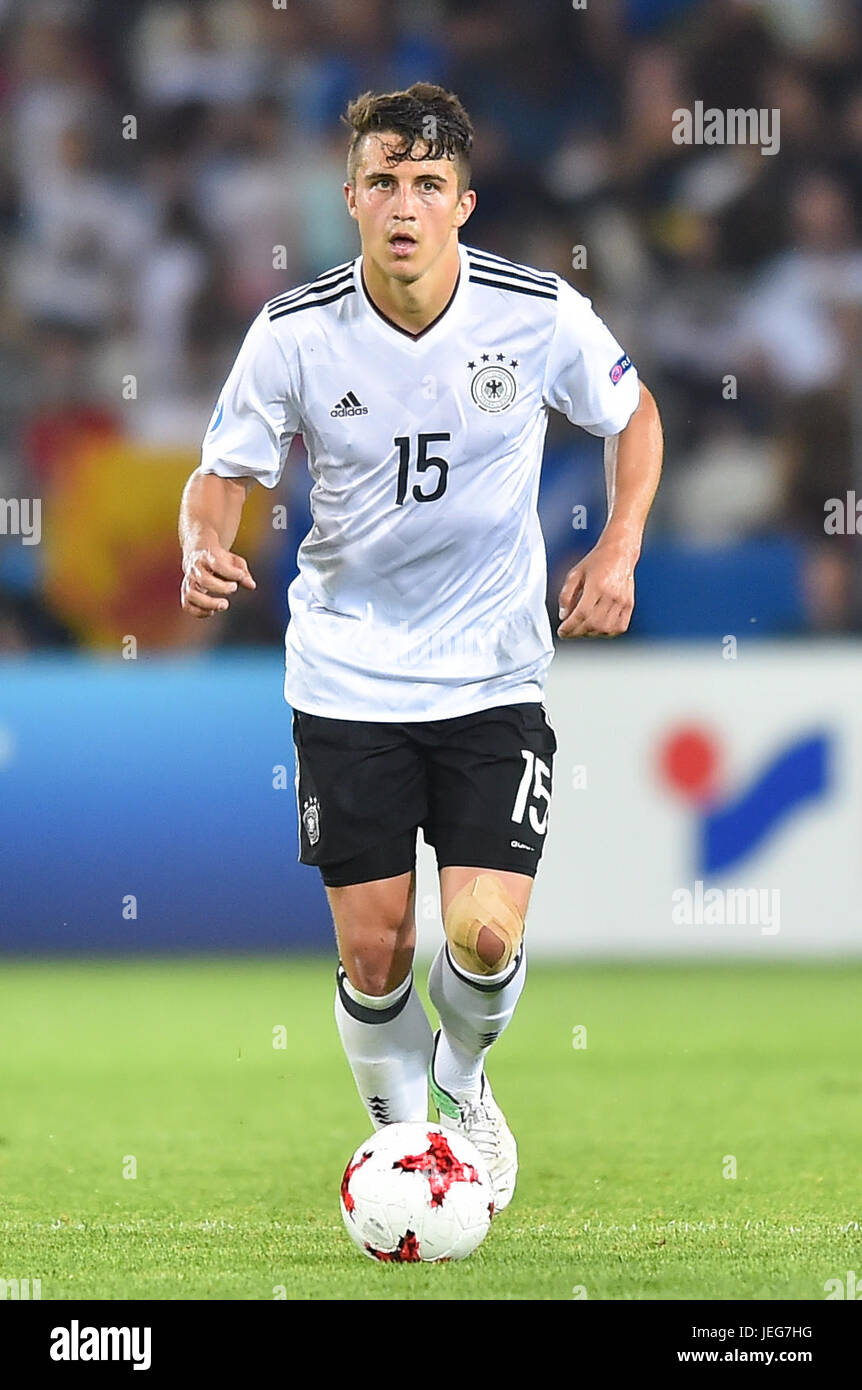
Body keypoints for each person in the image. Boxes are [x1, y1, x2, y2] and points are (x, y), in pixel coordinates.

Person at [178, 82, 663, 1213]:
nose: (404, 205)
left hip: (493, 671)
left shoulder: (535, 312)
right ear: (349, 197)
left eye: (427, 185)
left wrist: (622, 545)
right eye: (384, 181)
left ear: (464, 202)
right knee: (377, 954)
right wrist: (204, 542)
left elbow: (631, 416)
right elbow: (224, 471)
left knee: (484, 935)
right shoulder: (293, 332)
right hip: (346, 674)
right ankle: (407, 1150)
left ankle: (463, 1081)